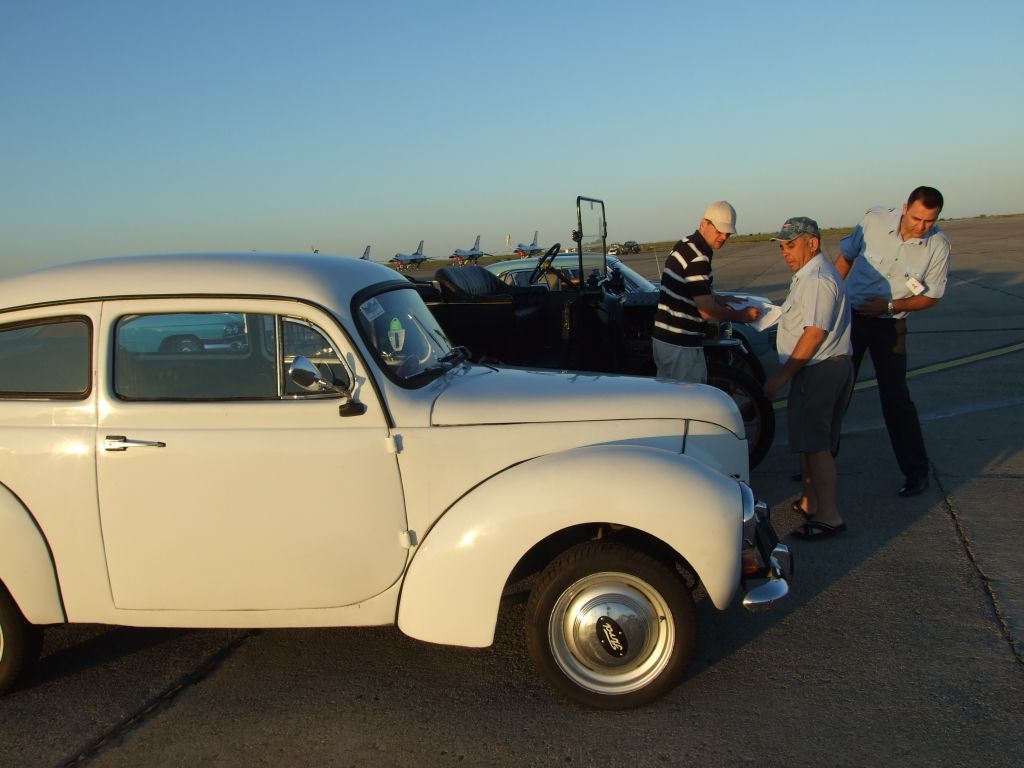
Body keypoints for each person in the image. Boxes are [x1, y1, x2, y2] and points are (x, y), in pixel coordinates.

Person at [836, 186, 950, 497]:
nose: (920, 227)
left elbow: (931, 297)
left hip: (892, 325)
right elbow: (846, 256)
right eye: (916, 218)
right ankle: (819, 461)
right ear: (905, 207)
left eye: (929, 221)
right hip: (853, 321)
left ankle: (916, 471)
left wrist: (889, 307)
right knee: (836, 391)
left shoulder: (938, 245)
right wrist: (831, 297)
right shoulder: (873, 220)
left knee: (896, 399)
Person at [764, 217, 853, 541]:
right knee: (807, 442)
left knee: (817, 446)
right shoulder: (808, 276)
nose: (786, 252)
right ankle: (810, 501)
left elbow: (814, 334)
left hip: (819, 367)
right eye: (783, 247)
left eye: (791, 245)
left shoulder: (817, 278)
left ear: (812, 243)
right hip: (814, 368)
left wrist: (781, 378)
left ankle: (829, 516)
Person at [652, 201, 762, 383]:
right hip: (681, 343)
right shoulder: (699, 257)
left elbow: (691, 292)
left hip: (666, 339)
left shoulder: (686, 244)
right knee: (691, 403)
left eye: (727, 233)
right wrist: (741, 316)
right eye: (719, 231)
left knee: (671, 401)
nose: (723, 237)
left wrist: (720, 299)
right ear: (704, 223)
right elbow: (706, 310)